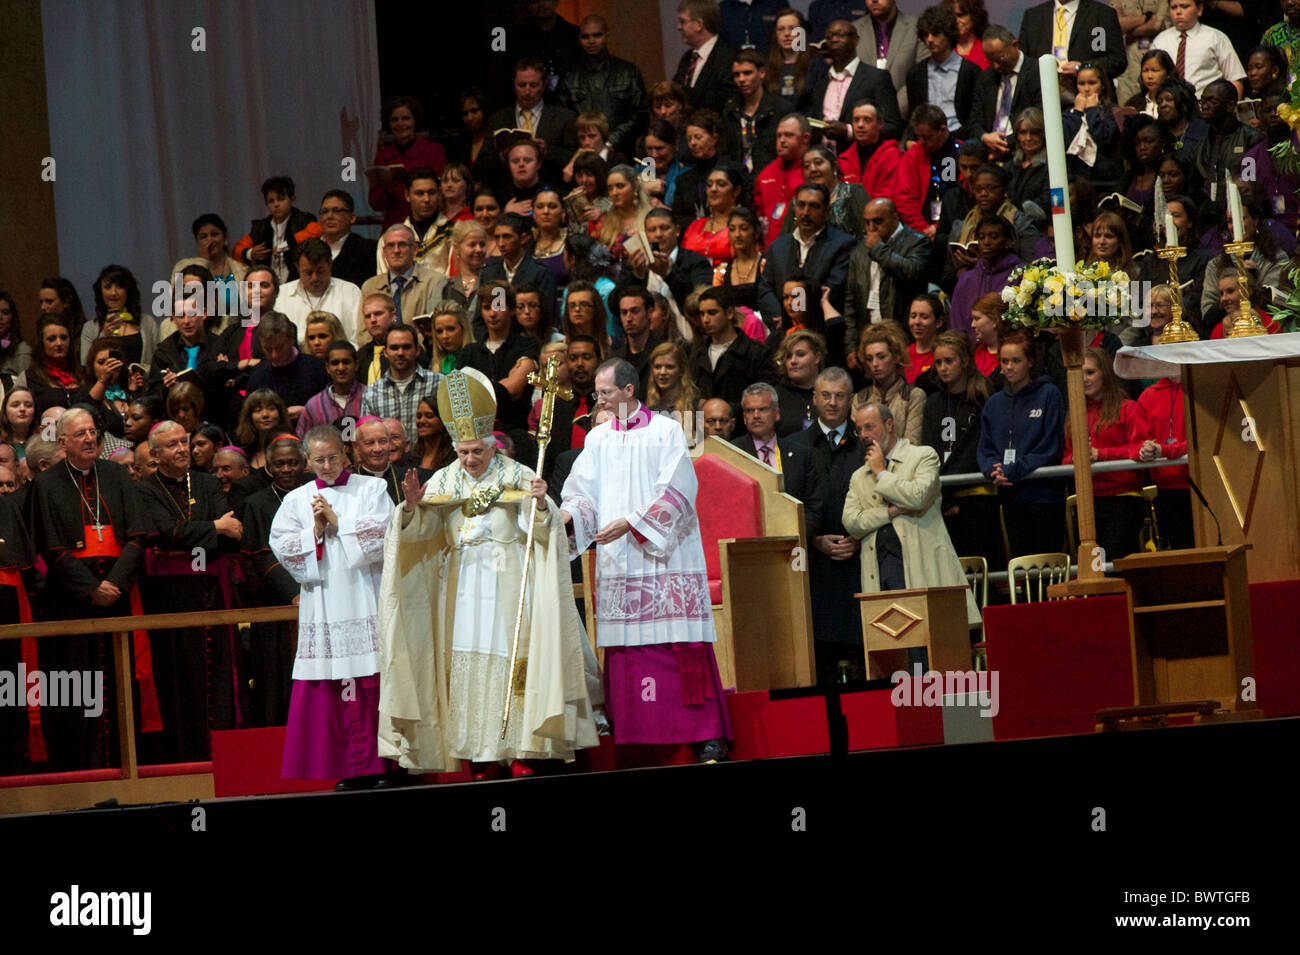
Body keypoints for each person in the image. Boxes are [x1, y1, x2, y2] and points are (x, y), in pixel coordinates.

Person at [378, 368, 599, 776]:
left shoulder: (517, 475)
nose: (470, 460)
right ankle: (478, 752)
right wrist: (409, 509)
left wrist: (542, 505)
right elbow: (422, 532)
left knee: (509, 659)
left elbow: (543, 530)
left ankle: (521, 747)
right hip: (460, 588)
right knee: (464, 662)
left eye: (477, 452)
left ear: (492, 446)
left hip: (508, 584)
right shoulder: (444, 479)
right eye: (463, 453)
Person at [560, 358, 733, 762]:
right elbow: (582, 494)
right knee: (629, 653)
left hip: (664, 556)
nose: (597, 400)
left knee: (680, 646)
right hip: (620, 562)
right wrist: (566, 518)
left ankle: (706, 734)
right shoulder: (597, 439)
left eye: (603, 393)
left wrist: (632, 523)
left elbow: (679, 490)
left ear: (628, 392)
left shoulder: (668, 430)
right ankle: (637, 733)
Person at [269, 426, 397, 788]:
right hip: (324, 602)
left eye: (332, 457)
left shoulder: (372, 489)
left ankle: (385, 767)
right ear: (308, 461)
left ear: (345, 454)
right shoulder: (296, 500)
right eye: (318, 460)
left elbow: (388, 535)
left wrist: (340, 523)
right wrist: (315, 531)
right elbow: (281, 546)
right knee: (334, 689)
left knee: (373, 684)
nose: (326, 466)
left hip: (366, 597)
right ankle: (350, 769)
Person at [31, 408, 156, 770]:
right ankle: (83, 768)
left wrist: (113, 583)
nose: (89, 439)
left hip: (119, 595)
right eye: (81, 434)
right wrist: (91, 589)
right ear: (64, 441)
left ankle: (129, 765)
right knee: (78, 685)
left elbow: (136, 536)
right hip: (72, 603)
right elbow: (53, 549)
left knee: (123, 684)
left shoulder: (116, 475)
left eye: (93, 432)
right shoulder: (47, 484)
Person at [842, 400, 982, 674]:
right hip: (879, 570)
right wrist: (890, 512)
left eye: (869, 427)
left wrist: (882, 473)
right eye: (859, 429)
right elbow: (852, 523)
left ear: (889, 425)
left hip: (919, 568)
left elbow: (919, 496)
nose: (863, 435)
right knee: (893, 652)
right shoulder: (859, 476)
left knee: (928, 650)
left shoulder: (922, 456)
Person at [136, 420, 244, 761]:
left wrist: (191, 536)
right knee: (180, 677)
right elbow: (165, 532)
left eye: (184, 442)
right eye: (172, 445)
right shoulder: (144, 489)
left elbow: (231, 529)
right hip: (170, 595)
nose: (183, 449)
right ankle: (185, 756)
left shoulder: (206, 482)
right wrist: (215, 528)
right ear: (155, 454)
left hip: (210, 589)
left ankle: (224, 753)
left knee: (219, 673)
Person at [976, 328, 1066, 557]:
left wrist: (1014, 469)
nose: (1009, 367)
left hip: (1044, 495)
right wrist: (992, 468)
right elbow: (985, 447)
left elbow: (1051, 446)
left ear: (1030, 361)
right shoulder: (994, 403)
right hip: (1010, 497)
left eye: (1016, 360)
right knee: (1021, 564)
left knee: (1048, 563)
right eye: (1004, 361)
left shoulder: (1049, 394)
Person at [238, 434, 305, 727]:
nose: (287, 469)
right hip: (275, 601)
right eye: (280, 464)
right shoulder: (256, 503)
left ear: (303, 463)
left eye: (292, 463)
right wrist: (294, 592)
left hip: (318, 593)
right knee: (275, 673)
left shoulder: (316, 493)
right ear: (269, 467)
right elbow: (261, 553)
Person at [1062, 348, 1151, 563]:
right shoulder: (1075, 412)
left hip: (1124, 498)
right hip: (1087, 501)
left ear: (1105, 374)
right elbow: (1066, 457)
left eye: (1090, 372)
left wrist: (1100, 455)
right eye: (1079, 374)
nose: (1084, 379)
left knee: (1114, 561)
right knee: (1095, 566)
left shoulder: (1128, 408)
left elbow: (1140, 449)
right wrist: (1076, 459)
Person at [921, 329, 997, 564]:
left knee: (980, 566)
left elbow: (978, 448)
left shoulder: (983, 399)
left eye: (948, 361)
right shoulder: (933, 403)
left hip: (977, 496)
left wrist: (949, 492)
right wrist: (944, 497)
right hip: (942, 499)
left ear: (964, 361)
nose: (942, 367)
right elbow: (929, 449)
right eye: (938, 362)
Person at [758, 183, 856, 352]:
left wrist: (792, 312)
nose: (805, 212)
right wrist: (782, 315)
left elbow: (832, 287)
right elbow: (764, 287)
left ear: (826, 211)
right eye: (801, 205)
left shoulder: (843, 244)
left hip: (822, 336)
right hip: (784, 334)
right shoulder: (778, 246)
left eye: (814, 206)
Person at [844, 197, 930, 356]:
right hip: (868, 336)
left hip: (904, 337)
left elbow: (912, 273)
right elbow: (851, 302)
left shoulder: (917, 242)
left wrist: (878, 249)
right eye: (867, 222)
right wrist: (851, 347)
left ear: (895, 218)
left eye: (877, 221)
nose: (871, 228)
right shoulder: (860, 250)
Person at [560, 14, 648, 155]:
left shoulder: (628, 71)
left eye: (597, 35)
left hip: (621, 151)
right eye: (585, 37)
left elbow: (640, 114)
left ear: (607, 36)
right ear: (579, 39)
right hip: (584, 153)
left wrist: (611, 142)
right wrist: (588, 142)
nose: (591, 41)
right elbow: (565, 118)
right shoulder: (569, 76)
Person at [807, 19, 905, 144]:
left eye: (841, 35)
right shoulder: (821, 82)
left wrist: (850, 131)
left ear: (856, 40)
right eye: (829, 37)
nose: (834, 40)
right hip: (824, 158)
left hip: (861, 158)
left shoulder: (876, 78)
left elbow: (893, 127)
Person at [731, 382, 822, 511]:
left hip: (793, 529)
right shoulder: (732, 453)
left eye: (762, 409)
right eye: (750, 410)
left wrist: (797, 530)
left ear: (777, 414)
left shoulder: (801, 454)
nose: (756, 415)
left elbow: (813, 507)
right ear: (744, 418)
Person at [367, 96, 448, 230]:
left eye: (406, 118)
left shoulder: (433, 150)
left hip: (428, 224)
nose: (400, 124)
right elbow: (375, 203)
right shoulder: (383, 155)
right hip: (395, 226)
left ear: (415, 121)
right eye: (395, 120)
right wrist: (389, 190)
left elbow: (442, 194)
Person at [487, 58, 579, 171]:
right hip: (507, 185)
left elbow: (577, 158)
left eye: (534, 85)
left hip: (551, 185)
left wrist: (548, 151)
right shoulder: (497, 119)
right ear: (514, 84)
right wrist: (503, 156)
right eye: (522, 85)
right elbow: (480, 166)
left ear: (544, 85)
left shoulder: (565, 118)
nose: (527, 91)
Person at [688, 287, 772, 410]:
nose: (705, 320)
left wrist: (725, 409)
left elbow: (764, 399)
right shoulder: (696, 354)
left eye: (712, 313)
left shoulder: (756, 353)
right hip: (703, 426)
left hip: (741, 426)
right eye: (702, 314)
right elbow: (687, 395)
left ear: (729, 313)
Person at [905, 4, 981, 139]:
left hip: (960, 140)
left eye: (935, 34)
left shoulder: (971, 72)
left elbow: (975, 118)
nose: (929, 40)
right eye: (925, 34)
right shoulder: (915, 73)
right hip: (925, 142)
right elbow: (913, 114)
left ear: (948, 34)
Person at [233, 176, 320, 284]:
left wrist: (284, 246)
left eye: (281, 199)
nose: (276, 204)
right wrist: (251, 253)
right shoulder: (260, 227)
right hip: (268, 286)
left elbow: (316, 231)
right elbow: (237, 249)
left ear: (292, 199)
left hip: (299, 283)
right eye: (271, 201)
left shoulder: (304, 219)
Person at [359, 224, 449, 327]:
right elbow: (363, 333)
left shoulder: (435, 282)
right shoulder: (370, 287)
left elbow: (437, 327)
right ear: (384, 252)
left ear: (415, 249)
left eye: (402, 244)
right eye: (391, 245)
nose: (396, 250)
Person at [1151, 0, 1247, 98]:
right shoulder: (1160, 42)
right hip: (1168, 107)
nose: (1178, 12)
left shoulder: (1216, 38)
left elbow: (1235, 80)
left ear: (1199, 9)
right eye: (1174, 7)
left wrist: (1232, 110)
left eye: (1184, 7)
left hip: (1208, 107)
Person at [360, 323, 437, 442]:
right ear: (385, 352)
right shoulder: (372, 393)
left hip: (431, 459)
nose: (400, 353)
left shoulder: (438, 383)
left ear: (417, 350)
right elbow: (368, 438)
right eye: (394, 348)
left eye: (406, 347)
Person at [851, 0, 928, 119]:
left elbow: (921, 75)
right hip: (863, 118)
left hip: (904, 117)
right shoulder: (854, 29)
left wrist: (892, 112)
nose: (874, 0)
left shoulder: (916, 27)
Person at [277, 238, 363, 344]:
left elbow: (358, 339)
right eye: (308, 272)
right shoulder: (281, 294)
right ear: (297, 268)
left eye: (320, 271)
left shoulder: (350, 292)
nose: (315, 278)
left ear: (330, 265)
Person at [895, 104, 963, 237]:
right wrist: (923, 230)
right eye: (918, 137)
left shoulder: (962, 154)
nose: (921, 142)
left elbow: (965, 200)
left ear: (942, 130)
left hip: (954, 228)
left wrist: (939, 229)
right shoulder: (913, 156)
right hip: (919, 232)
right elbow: (904, 199)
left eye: (927, 137)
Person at [1018, 0, 1127, 83]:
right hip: (1043, 96)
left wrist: (1083, 67)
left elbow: (1116, 60)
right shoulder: (1033, 16)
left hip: (1089, 95)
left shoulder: (1101, 15)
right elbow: (1024, 63)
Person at [245, 312, 330, 417]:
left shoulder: (318, 368)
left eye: (279, 347)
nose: (274, 355)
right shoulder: (257, 376)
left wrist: (308, 412)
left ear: (291, 339)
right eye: (268, 349)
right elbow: (247, 419)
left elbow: (335, 409)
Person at [950, 216, 1023, 337]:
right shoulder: (965, 280)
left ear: (1008, 241)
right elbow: (957, 327)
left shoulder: (1021, 275)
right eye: (981, 237)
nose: (986, 242)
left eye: (994, 237)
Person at [723, 50, 793, 176]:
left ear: (761, 73)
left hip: (772, 179)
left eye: (747, 73)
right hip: (739, 181)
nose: (741, 79)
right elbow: (727, 152)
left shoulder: (780, 109)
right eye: (736, 75)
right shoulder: (730, 110)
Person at [857, 320, 926, 443]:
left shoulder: (913, 396)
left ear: (896, 356)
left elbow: (912, 446)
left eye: (881, 357)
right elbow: (857, 449)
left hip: (904, 461)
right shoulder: (860, 398)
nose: (874, 364)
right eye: (869, 359)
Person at [480, 212, 559, 309]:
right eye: (497, 237)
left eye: (507, 237)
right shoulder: (488, 273)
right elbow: (479, 317)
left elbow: (547, 315)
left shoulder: (541, 273)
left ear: (523, 239)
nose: (501, 244)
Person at [674, 0, 740, 115]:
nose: (678, 27)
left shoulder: (729, 57)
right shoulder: (687, 58)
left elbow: (726, 99)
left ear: (699, 24)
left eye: (683, 22)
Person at [752, 114, 809, 244]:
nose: (782, 140)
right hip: (770, 248)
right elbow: (759, 217)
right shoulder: (765, 175)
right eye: (779, 136)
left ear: (805, 138)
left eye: (789, 135)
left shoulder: (812, 171)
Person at [683, 161, 748, 267]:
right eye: (709, 185)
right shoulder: (695, 226)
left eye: (721, 184)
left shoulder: (745, 225)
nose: (713, 189)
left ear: (736, 191)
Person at [610, 286, 667, 401]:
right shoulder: (614, 359)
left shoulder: (665, 354)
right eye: (624, 312)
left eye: (635, 311)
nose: (629, 318)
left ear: (649, 313)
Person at [297, 340, 365, 436]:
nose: (341, 368)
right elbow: (302, 442)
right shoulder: (314, 405)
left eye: (346, 362)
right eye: (335, 363)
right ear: (327, 367)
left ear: (356, 365)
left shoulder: (370, 396)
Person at [837, 100, 903, 195]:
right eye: (856, 120)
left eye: (867, 120)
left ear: (880, 124)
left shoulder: (891, 157)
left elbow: (886, 197)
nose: (860, 125)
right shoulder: (844, 159)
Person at [317, 190, 378, 290]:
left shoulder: (368, 249)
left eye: (336, 211)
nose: (329, 216)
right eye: (324, 211)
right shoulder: (307, 249)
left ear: (352, 218)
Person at [773, 329, 826, 435]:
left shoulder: (832, 393)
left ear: (817, 358)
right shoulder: (773, 397)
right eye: (788, 356)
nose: (793, 361)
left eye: (800, 355)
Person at [0, 291, 32, 378]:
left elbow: (27, 387)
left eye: (5, 312)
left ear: (12, 317)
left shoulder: (22, 350)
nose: (0, 317)